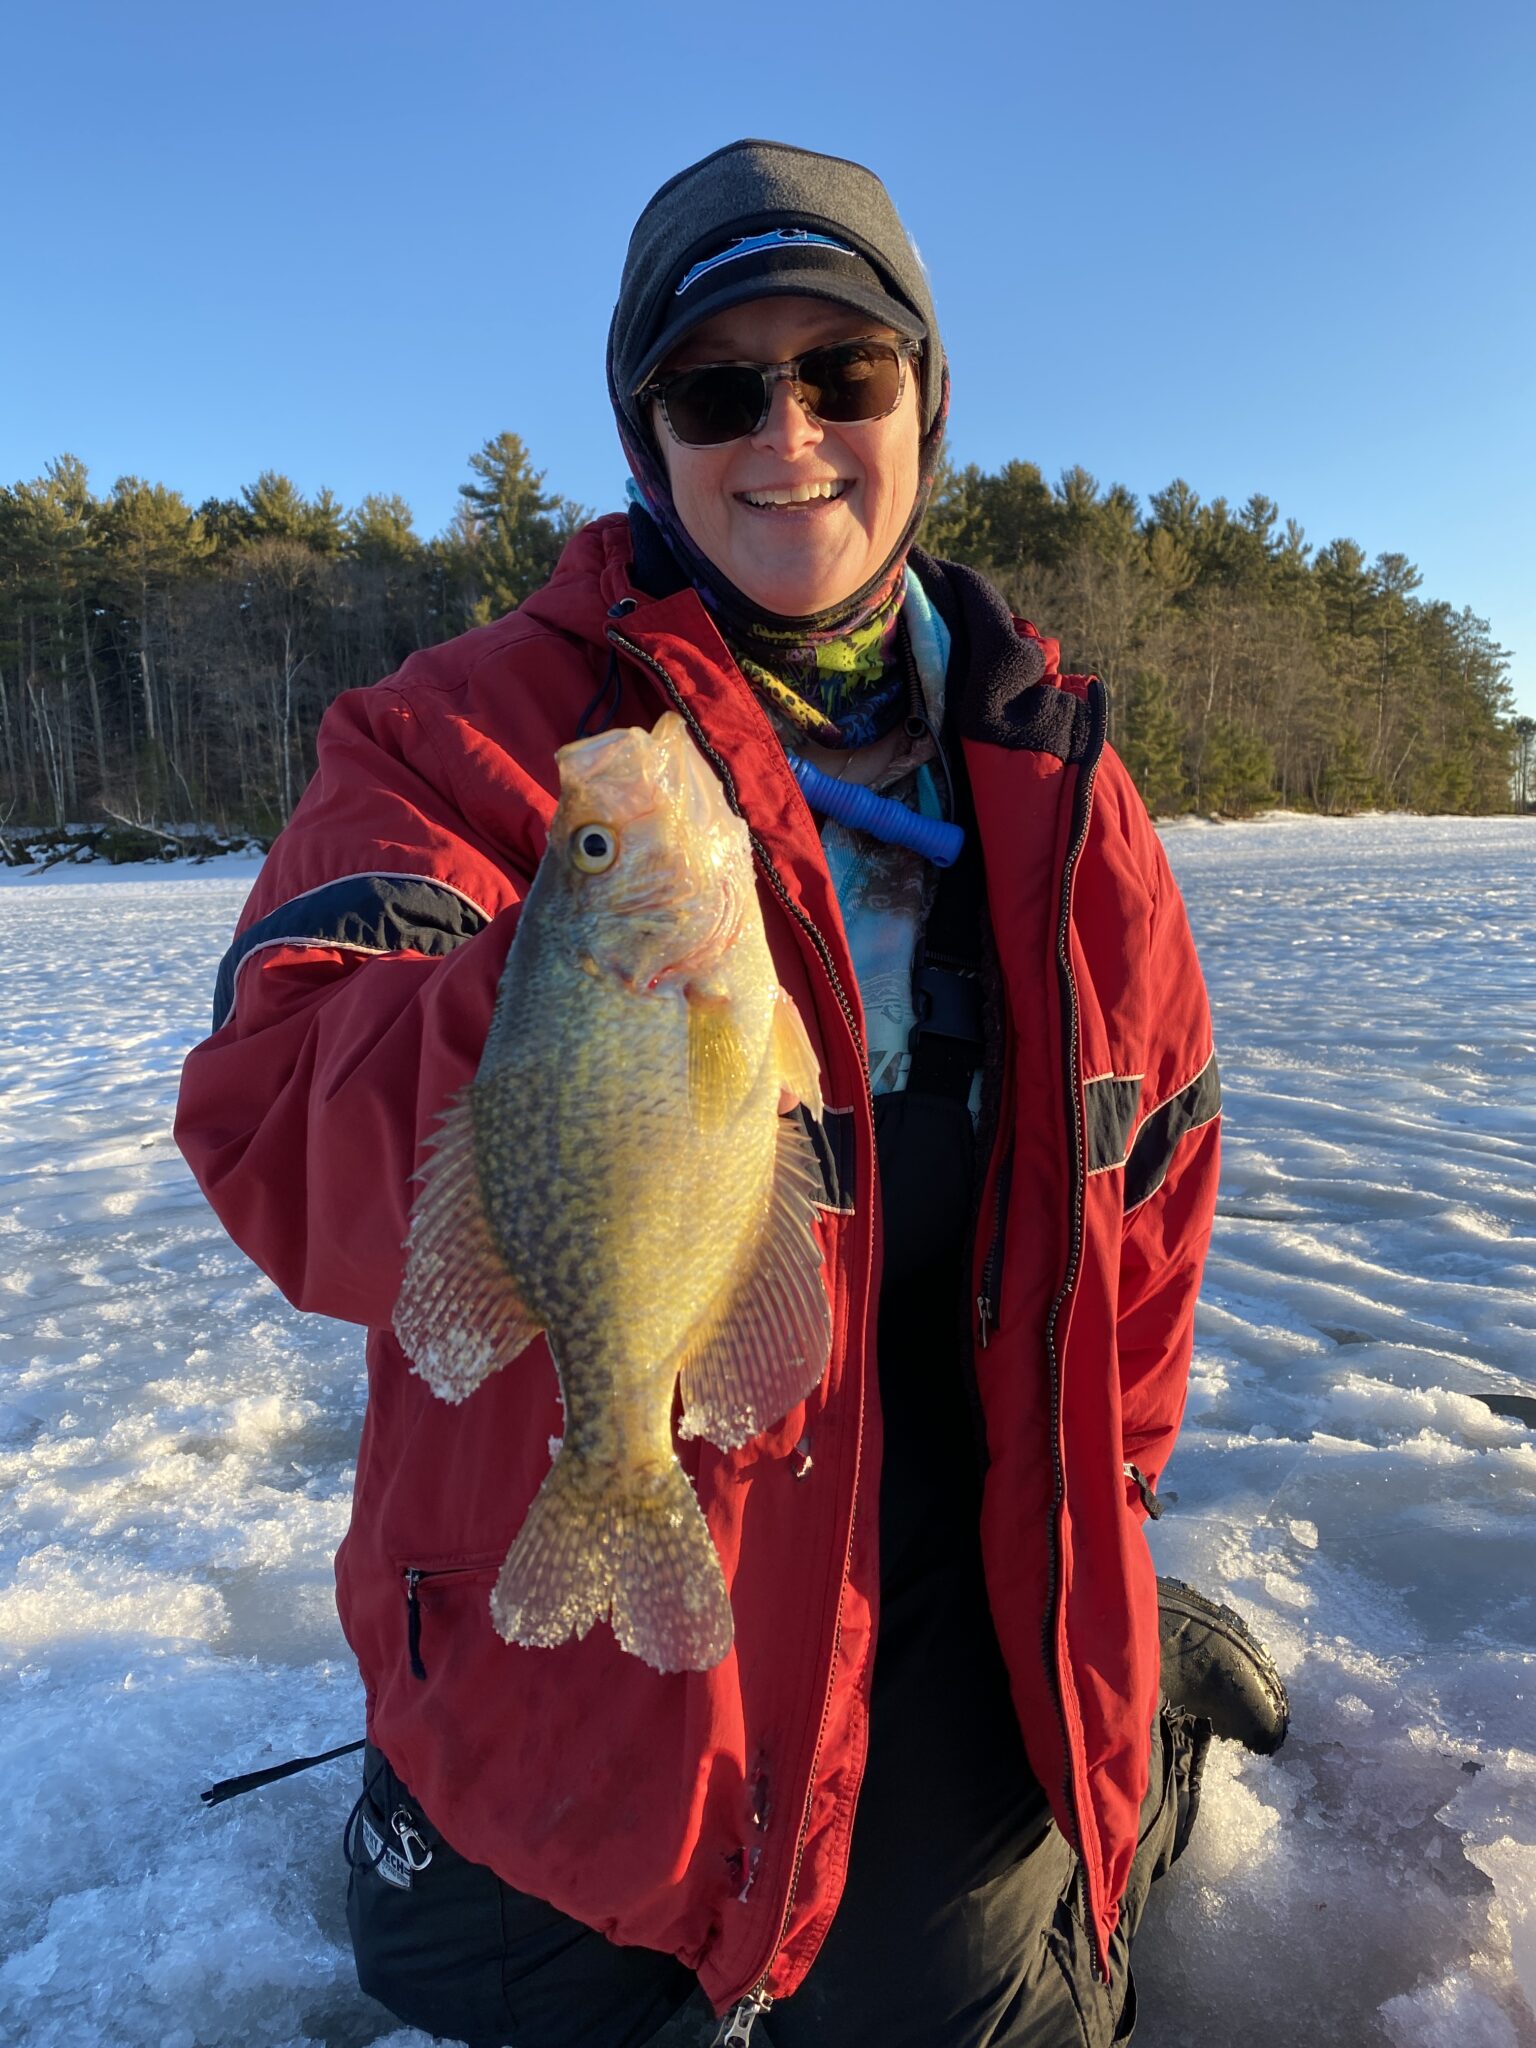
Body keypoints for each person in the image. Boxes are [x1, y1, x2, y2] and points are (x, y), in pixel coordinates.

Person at [176, 140, 1287, 2048]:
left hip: (943, 1546)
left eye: (844, 373)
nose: (787, 434)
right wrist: (547, 1008)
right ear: (646, 442)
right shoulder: (477, 737)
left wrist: (1094, 1518)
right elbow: (280, 1117)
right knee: (493, 1977)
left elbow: (1158, 1173)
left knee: (983, 2020)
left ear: (925, 407)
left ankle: (1133, 1693)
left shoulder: (1054, 782)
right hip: (575, 1574)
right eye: (716, 390)